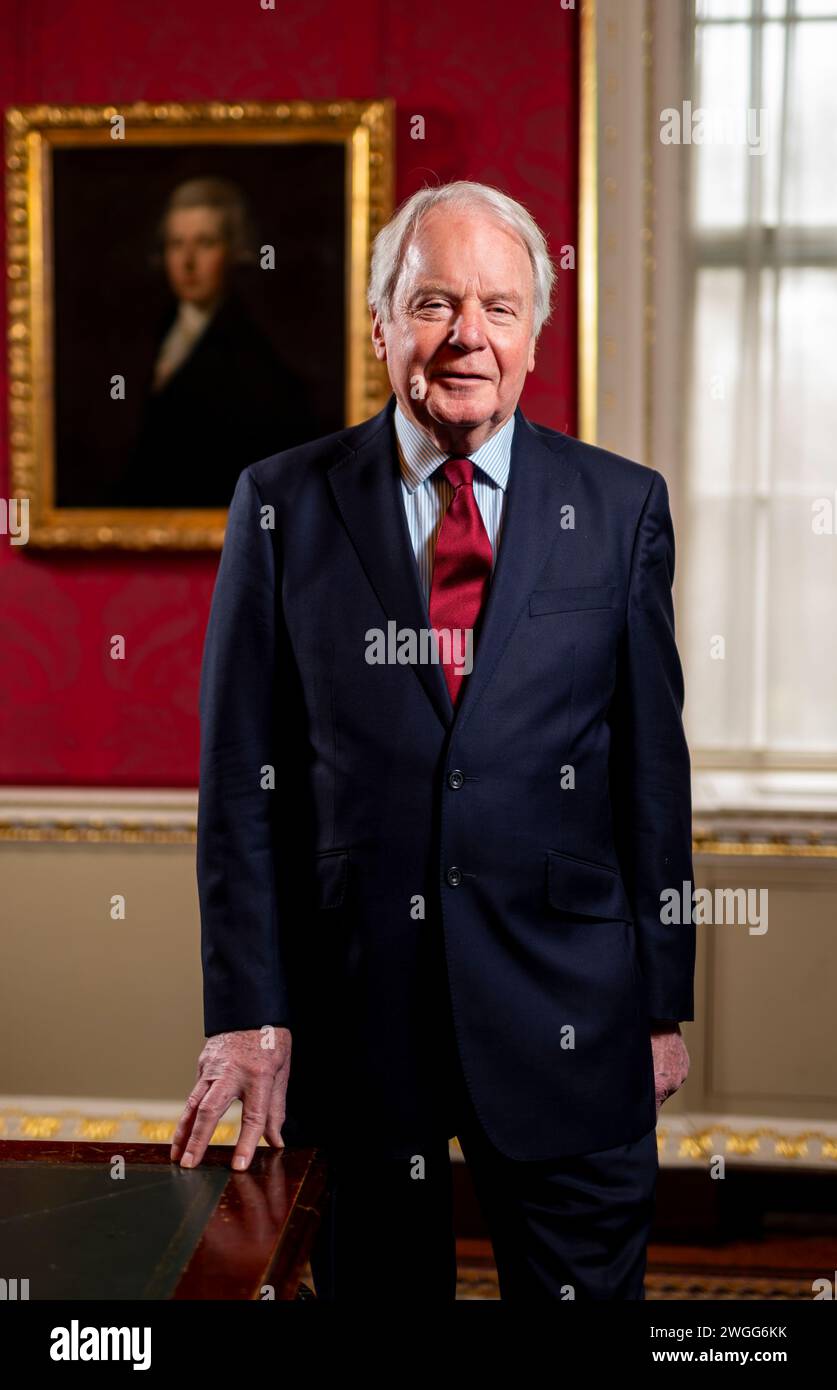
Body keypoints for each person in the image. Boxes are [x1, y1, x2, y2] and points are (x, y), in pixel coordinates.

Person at [171, 179, 695, 1301]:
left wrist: (661, 1003)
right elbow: (240, 788)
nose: (468, 336)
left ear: (534, 336)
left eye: (500, 308)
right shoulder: (279, 502)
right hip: (357, 1023)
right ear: (380, 324)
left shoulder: (619, 506)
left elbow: (653, 775)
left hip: (571, 1012)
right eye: (435, 303)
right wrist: (247, 1013)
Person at [116, 177, 314, 508]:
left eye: (205, 243)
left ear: (235, 251)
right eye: (176, 244)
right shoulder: (149, 334)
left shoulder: (254, 360)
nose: (188, 261)